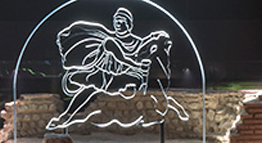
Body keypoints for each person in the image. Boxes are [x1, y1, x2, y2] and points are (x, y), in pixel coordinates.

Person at [46, 7, 188, 130]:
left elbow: (147, 55)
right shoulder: (109, 39)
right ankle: (66, 117)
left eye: (122, 22)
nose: (118, 25)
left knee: (98, 84)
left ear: (129, 24)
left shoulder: (137, 42)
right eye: (116, 22)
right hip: (104, 73)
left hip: (126, 76)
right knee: (88, 88)